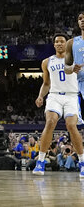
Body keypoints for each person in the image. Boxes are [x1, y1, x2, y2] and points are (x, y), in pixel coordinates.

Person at [34, 33, 84, 176]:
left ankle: (82, 162)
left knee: (71, 125)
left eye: (62, 41)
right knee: (50, 122)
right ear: (54, 45)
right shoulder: (47, 62)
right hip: (54, 96)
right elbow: (46, 84)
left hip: (72, 96)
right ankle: (41, 161)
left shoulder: (76, 60)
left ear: (67, 44)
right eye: (57, 42)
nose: (60, 44)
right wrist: (40, 96)